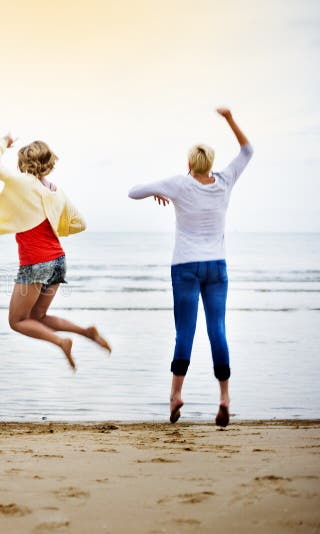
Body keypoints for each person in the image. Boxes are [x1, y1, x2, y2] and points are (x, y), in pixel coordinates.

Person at [128, 108, 253, 427]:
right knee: (218, 331)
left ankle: (175, 395)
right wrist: (228, 119)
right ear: (210, 163)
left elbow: (133, 192)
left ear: (189, 164)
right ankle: (224, 397)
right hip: (216, 267)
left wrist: (160, 189)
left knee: (185, 332)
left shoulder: (179, 184)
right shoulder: (225, 180)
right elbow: (248, 150)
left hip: (184, 266)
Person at [0, 135, 111, 371]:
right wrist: (54, 227)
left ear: (24, 164)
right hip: (58, 260)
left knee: (17, 321)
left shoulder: (23, 183)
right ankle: (86, 331)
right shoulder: (56, 192)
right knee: (38, 317)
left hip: (36, 262)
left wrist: (3, 141)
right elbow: (80, 223)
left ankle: (61, 341)